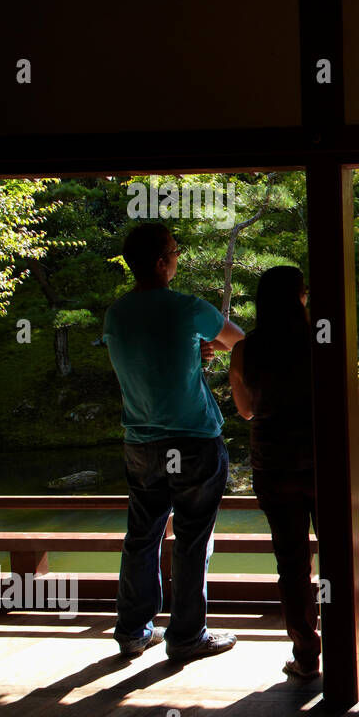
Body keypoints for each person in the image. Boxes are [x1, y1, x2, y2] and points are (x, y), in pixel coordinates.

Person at [228, 265, 359, 680]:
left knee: (291, 562)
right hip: (324, 462)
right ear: (301, 296)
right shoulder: (322, 340)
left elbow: (247, 410)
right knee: (340, 554)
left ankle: (306, 655)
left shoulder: (245, 350)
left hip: (272, 464)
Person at [104, 221, 244, 662]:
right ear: (163, 262)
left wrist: (195, 348)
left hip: (141, 442)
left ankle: (131, 631)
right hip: (192, 440)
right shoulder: (187, 308)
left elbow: (152, 355)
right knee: (192, 538)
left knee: (142, 536)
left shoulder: (117, 313)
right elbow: (241, 344)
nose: (178, 259)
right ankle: (185, 636)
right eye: (176, 253)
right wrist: (210, 346)